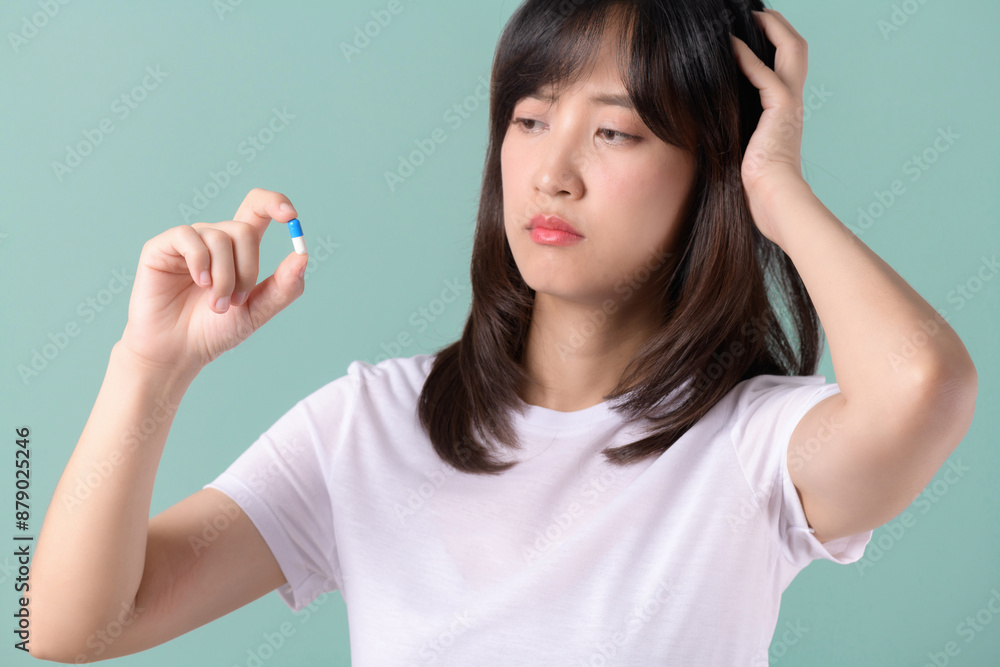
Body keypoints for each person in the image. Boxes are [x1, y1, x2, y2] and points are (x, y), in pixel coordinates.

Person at [30, 0, 977, 664]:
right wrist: (149, 368)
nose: (550, 172)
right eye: (529, 119)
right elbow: (70, 624)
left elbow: (922, 388)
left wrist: (775, 186)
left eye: (616, 132)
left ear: (711, 171)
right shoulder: (373, 424)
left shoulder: (755, 444)